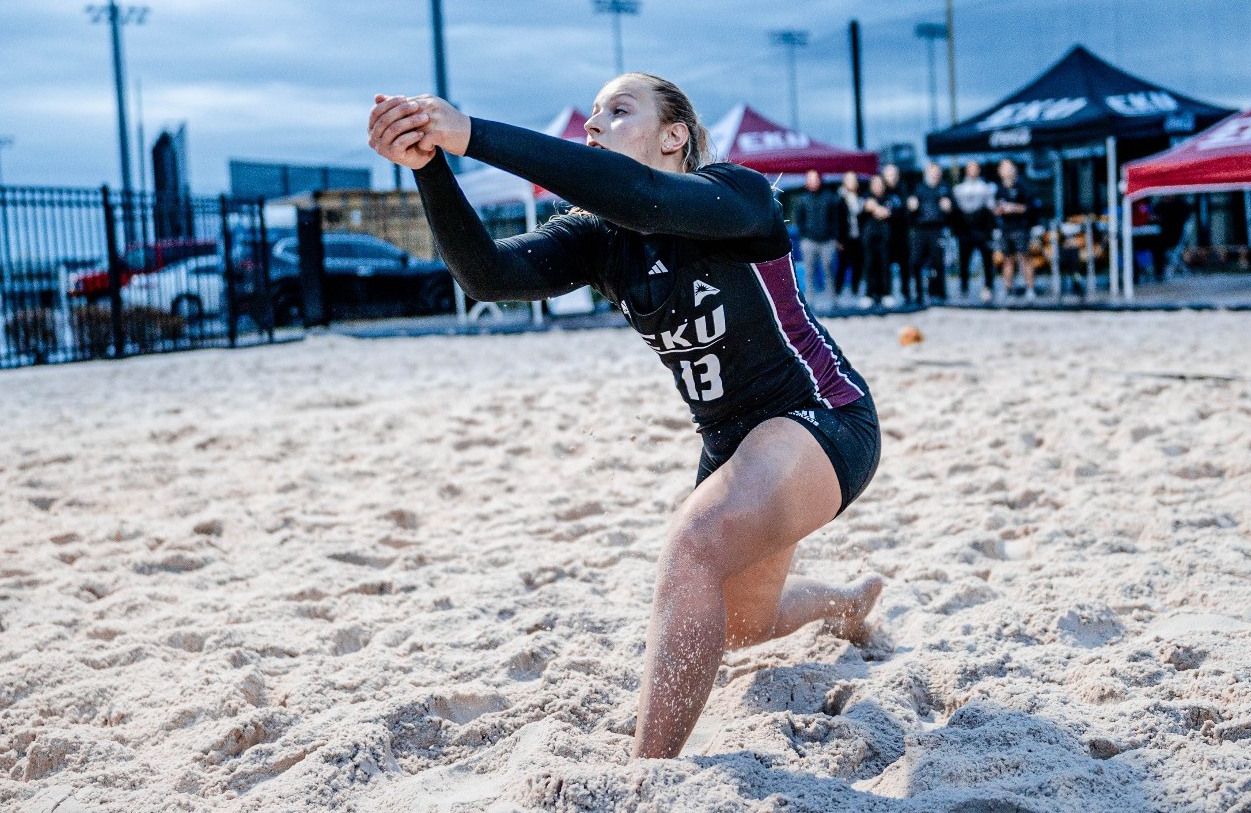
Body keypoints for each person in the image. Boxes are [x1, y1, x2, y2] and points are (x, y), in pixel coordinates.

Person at [367, 75, 883, 761]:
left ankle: (647, 778)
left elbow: (645, 198)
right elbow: (488, 275)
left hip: (820, 417)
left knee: (691, 544)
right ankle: (844, 602)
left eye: (618, 109)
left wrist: (473, 135)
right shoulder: (599, 239)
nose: (592, 122)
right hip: (733, 446)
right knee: (738, 624)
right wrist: (431, 166)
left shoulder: (737, 195)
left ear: (675, 136)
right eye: (591, 114)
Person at [950, 160, 997, 302]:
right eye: (970, 168)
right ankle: (964, 289)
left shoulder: (986, 188)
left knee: (987, 261)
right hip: (965, 231)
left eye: (975, 168)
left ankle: (988, 288)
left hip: (982, 230)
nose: (973, 171)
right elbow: (954, 212)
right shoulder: (958, 189)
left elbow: (991, 209)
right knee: (964, 262)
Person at [792, 170, 841, 300]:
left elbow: (835, 219)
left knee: (829, 271)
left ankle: (833, 301)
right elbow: (799, 220)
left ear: (820, 180)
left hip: (827, 241)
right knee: (809, 272)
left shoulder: (830, 197)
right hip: (809, 241)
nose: (813, 182)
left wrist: (835, 238)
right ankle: (809, 301)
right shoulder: (802, 199)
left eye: (815, 179)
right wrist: (803, 238)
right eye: (810, 179)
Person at [906, 162, 951, 304]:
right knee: (916, 261)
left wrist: (949, 207)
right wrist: (911, 206)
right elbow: (909, 209)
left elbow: (952, 209)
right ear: (927, 173)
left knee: (937, 263)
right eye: (932, 172)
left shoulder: (944, 188)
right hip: (920, 230)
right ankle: (919, 293)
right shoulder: (918, 188)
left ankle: (938, 292)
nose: (935, 174)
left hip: (937, 229)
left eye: (937, 172)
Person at [994, 159, 1038, 299]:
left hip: (1021, 228)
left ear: (1014, 169)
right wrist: (999, 210)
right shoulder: (999, 189)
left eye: (1009, 168)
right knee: (1007, 259)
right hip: (1005, 228)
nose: (1006, 171)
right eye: (1004, 168)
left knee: (1025, 257)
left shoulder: (1023, 186)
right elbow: (996, 208)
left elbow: (1030, 207)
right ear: (1000, 171)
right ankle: (1008, 288)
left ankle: (1030, 288)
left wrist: (1013, 208)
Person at [859, 175, 895, 307]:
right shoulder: (865, 197)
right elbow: (861, 211)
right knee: (869, 266)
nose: (877, 187)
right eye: (875, 184)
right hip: (868, 238)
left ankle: (886, 294)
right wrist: (872, 208)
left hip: (885, 238)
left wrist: (876, 209)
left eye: (880, 184)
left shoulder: (889, 197)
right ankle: (869, 294)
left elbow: (889, 212)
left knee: (885, 266)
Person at [881, 163, 912, 302]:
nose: (891, 178)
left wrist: (892, 213)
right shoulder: (881, 191)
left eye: (893, 175)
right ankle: (887, 294)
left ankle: (906, 293)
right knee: (885, 266)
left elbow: (906, 211)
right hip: (886, 236)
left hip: (902, 235)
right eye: (888, 175)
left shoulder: (904, 190)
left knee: (905, 266)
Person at [835, 171, 863, 301]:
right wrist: (839, 240)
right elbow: (837, 220)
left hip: (857, 237)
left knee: (858, 266)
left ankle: (855, 291)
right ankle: (838, 294)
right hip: (845, 239)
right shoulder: (839, 198)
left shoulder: (860, 197)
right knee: (842, 266)